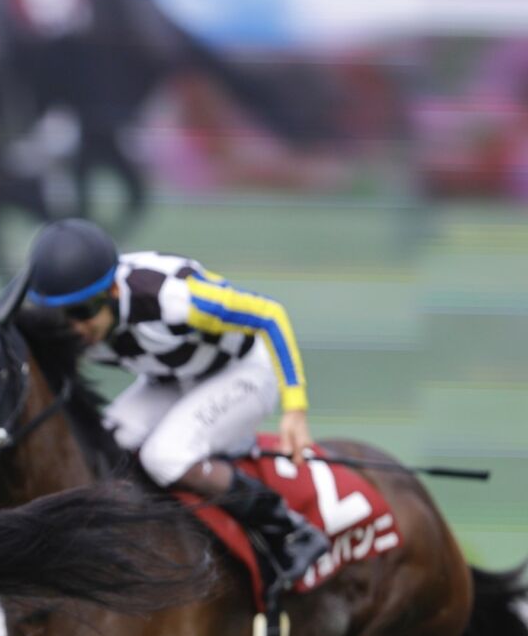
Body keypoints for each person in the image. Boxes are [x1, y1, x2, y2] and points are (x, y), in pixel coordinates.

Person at [25, 217, 330, 602]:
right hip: (169, 376)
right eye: (61, 316)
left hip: (243, 371)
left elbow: (270, 315)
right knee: (103, 448)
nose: (74, 328)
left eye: (84, 310)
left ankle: (286, 528)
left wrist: (295, 410)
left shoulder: (175, 299)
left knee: (163, 456)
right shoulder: (70, 317)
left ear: (115, 290)